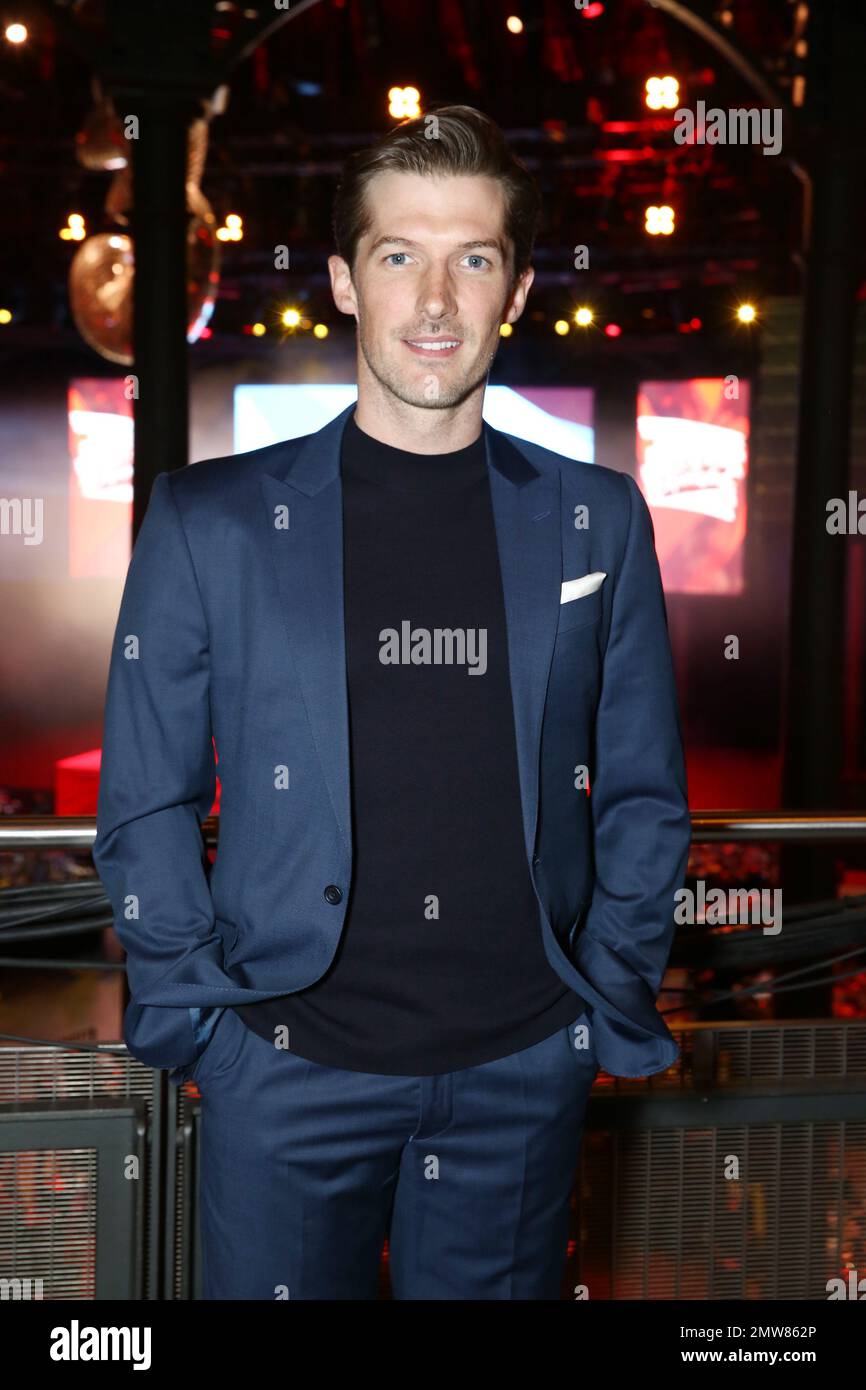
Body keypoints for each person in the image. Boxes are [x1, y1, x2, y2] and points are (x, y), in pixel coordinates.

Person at [93, 104, 691, 1300]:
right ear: (341, 282)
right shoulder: (208, 519)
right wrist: (202, 1017)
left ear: (513, 290)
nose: (434, 301)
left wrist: (601, 997)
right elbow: (143, 796)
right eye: (397, 256)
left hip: (523, 1068)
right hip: (285, 1063)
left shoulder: (596, 517)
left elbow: (640, 789)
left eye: (472, 258)